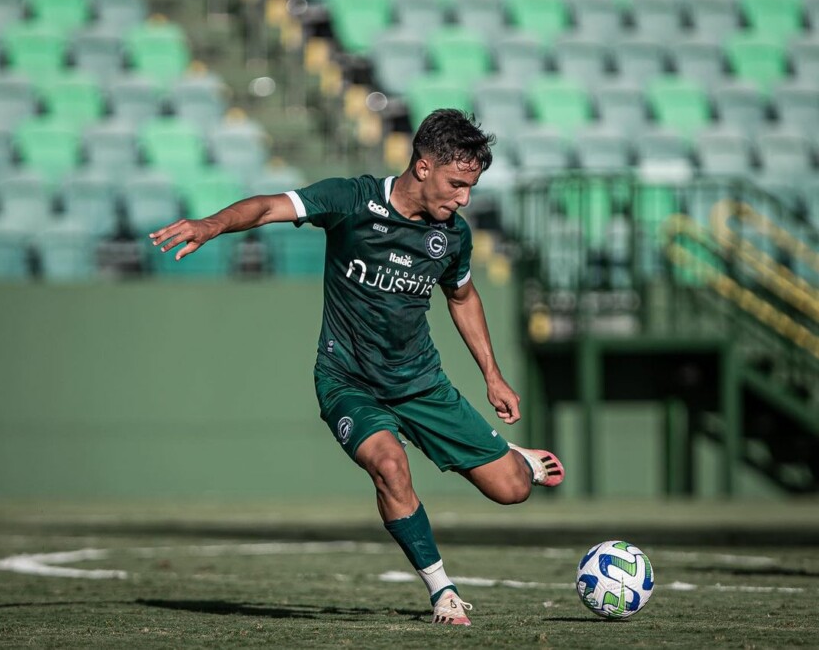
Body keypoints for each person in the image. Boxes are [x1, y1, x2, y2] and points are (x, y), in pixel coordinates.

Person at [150, 109, 564, 626]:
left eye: (471, 188)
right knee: (390, 465)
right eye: (457, 184)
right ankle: (443, 591)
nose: (463, 199)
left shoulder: (452, 236)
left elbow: (462, 296)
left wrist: (493, 375)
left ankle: (508, 455)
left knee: (513, 490)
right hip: (346, 381)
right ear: (423, 167)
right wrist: (213, 224)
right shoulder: (351, 200)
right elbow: (266, 207)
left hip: (420, 383)